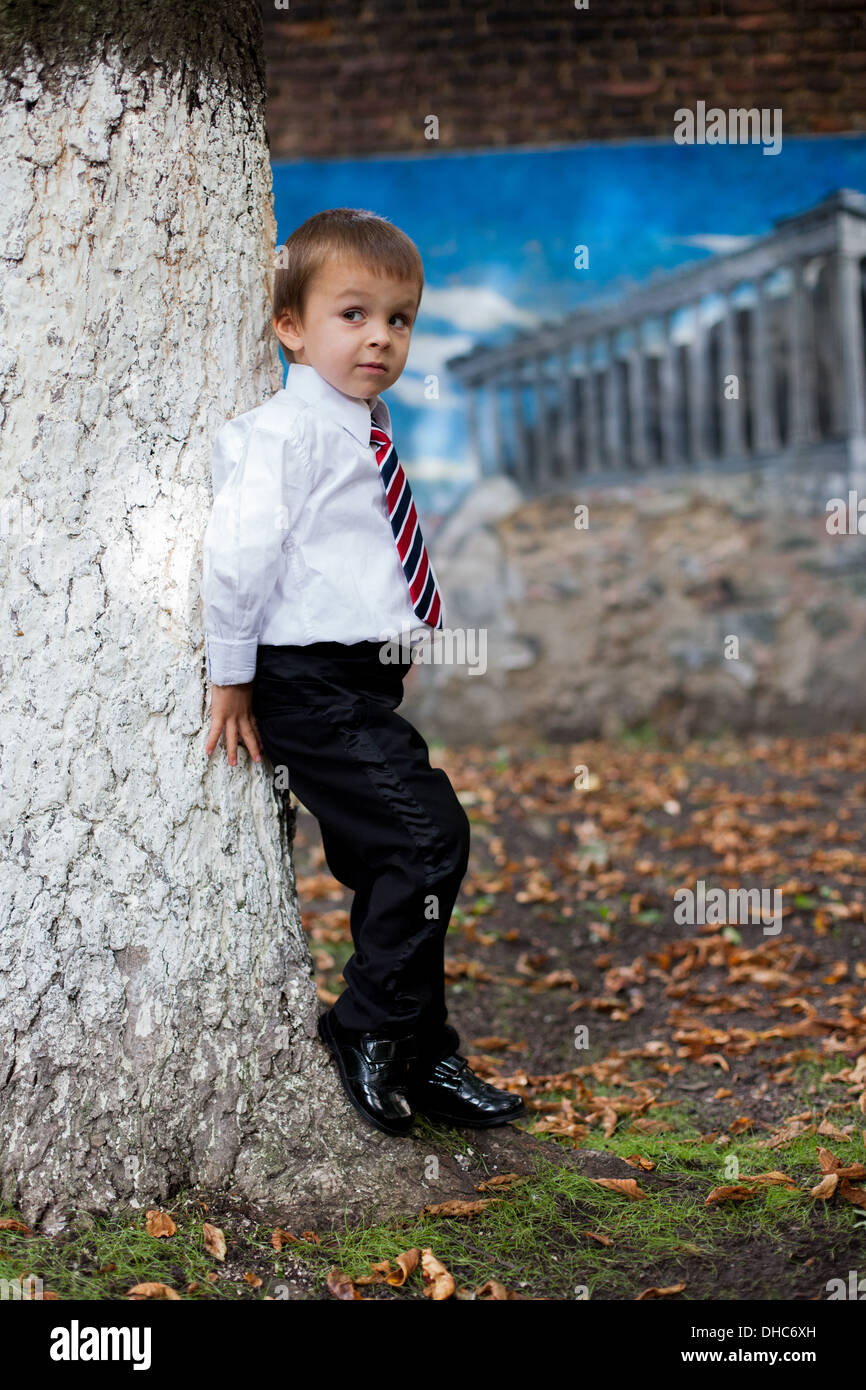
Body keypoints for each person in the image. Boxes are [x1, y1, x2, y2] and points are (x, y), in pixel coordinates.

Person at [201, 207, 525, 1137]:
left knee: (396, 857)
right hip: (306, 682)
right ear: (290, 326)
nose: (380, 337)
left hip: (363, 682)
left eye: (400, 318)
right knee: (429, 837)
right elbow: (238, 559)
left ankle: (423, 1050)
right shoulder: (283, 435)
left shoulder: (365, 427)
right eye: (354, 314)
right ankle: (366, 1028)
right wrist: (232, 677)